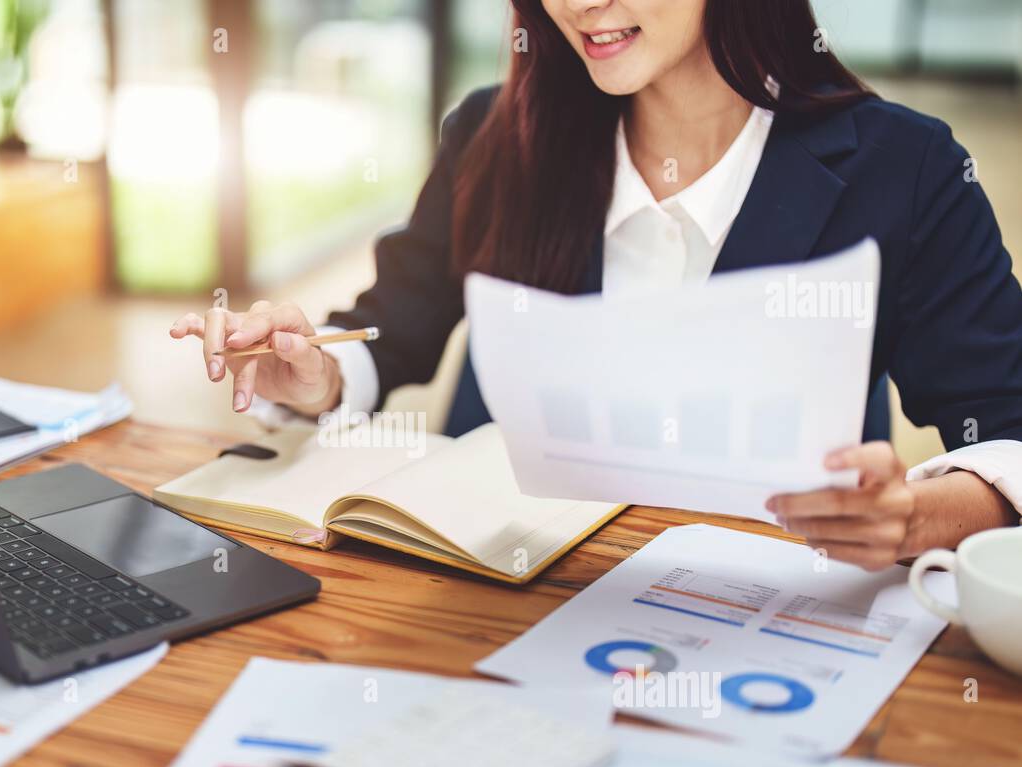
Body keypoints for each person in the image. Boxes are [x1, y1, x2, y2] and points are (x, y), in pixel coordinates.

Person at [171, 0, 1022, 571]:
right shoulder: (493, 134)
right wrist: (314, 371)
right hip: (496, 599)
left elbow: (1009, 435)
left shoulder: (907, 171)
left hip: (761, 618)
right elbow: (392, 329)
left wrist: (914, 516)